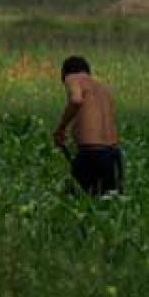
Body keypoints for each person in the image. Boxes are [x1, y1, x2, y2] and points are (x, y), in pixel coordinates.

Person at [51, 56, 123, 195]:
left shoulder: (73, 78)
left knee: (75, 201)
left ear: (65, 73)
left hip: (91, 154)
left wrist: (61, 128)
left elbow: (76, 100)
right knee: (106, 201)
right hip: (112, 154)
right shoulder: (103, 88)